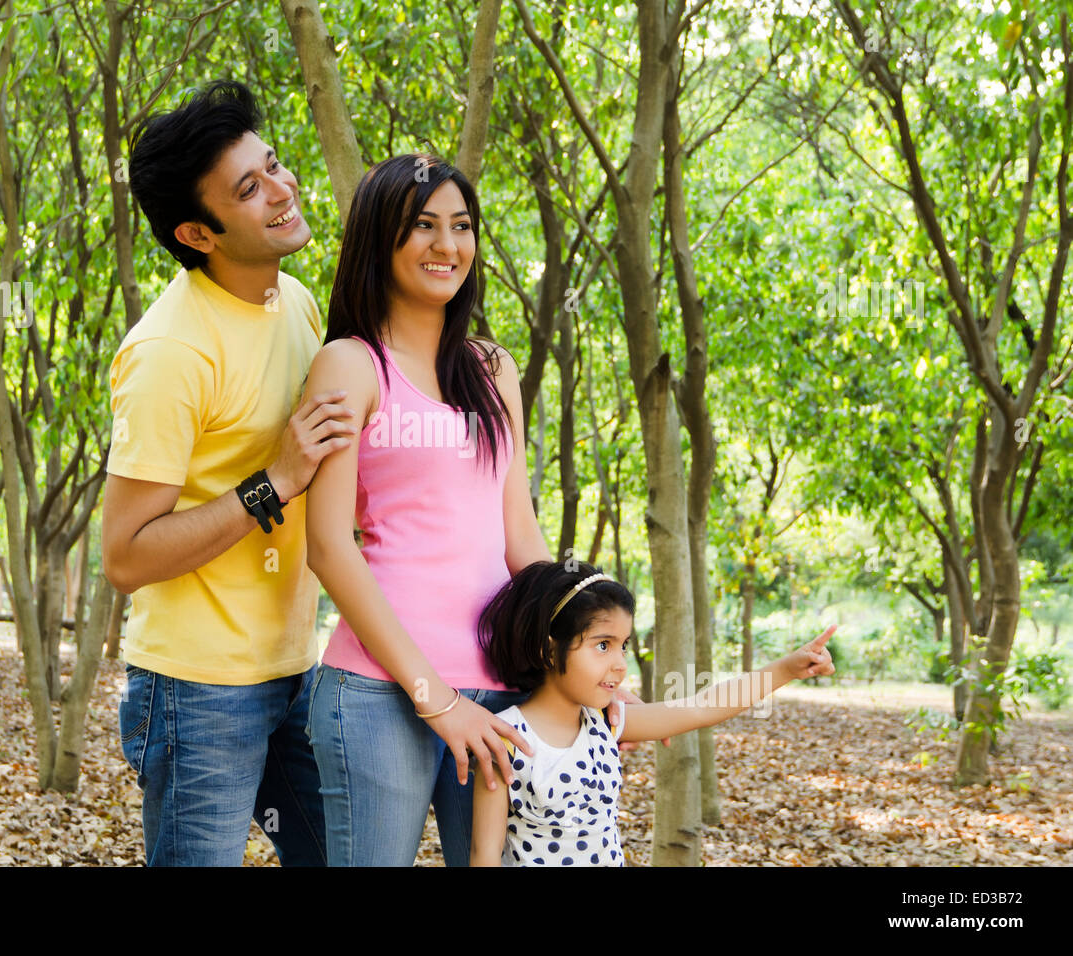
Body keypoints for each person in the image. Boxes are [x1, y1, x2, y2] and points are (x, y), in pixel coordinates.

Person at [302, 154, 635, 866]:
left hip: (500, 691)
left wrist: (582, 653)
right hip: (375, 692)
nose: (446, 245)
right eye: (422, 226)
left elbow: (519, 535)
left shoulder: (493, 369)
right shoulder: (349, 364)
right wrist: (434, 697)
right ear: (379, 239)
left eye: (461, 226)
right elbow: (329, 546)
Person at [101, 80, 354, 866]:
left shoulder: (302, 304)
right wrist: (271, 482)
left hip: (294, 674)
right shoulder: (169, 353)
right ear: (196, 232)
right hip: (195, 691)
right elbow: (126, 557)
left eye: (273, 165)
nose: (283, 190)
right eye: (250, 189)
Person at [470, 559, 838, 866]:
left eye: (623, 646)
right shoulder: (507, 738)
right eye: (603, 645)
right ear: (550, 650)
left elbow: (701, 708)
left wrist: (786, 669)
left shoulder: (606, 724)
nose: (619, 664)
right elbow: (483, 854)